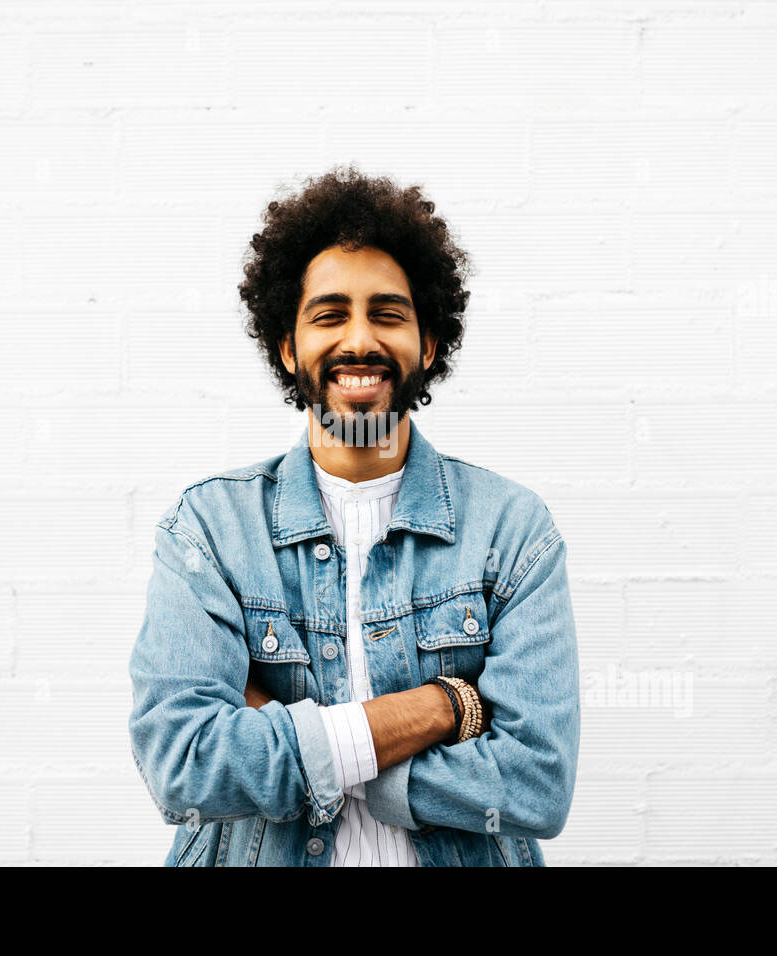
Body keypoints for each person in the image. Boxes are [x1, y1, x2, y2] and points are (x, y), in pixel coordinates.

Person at [128, 165, 580, 866]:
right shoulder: (209, 532)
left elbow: (535, 785)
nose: (360, 340)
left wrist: (308, 750)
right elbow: (184, 767)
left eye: (388, 314)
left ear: (427, 344)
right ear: (288, 346)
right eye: (330, 314)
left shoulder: (512, 533)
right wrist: (439, 710)